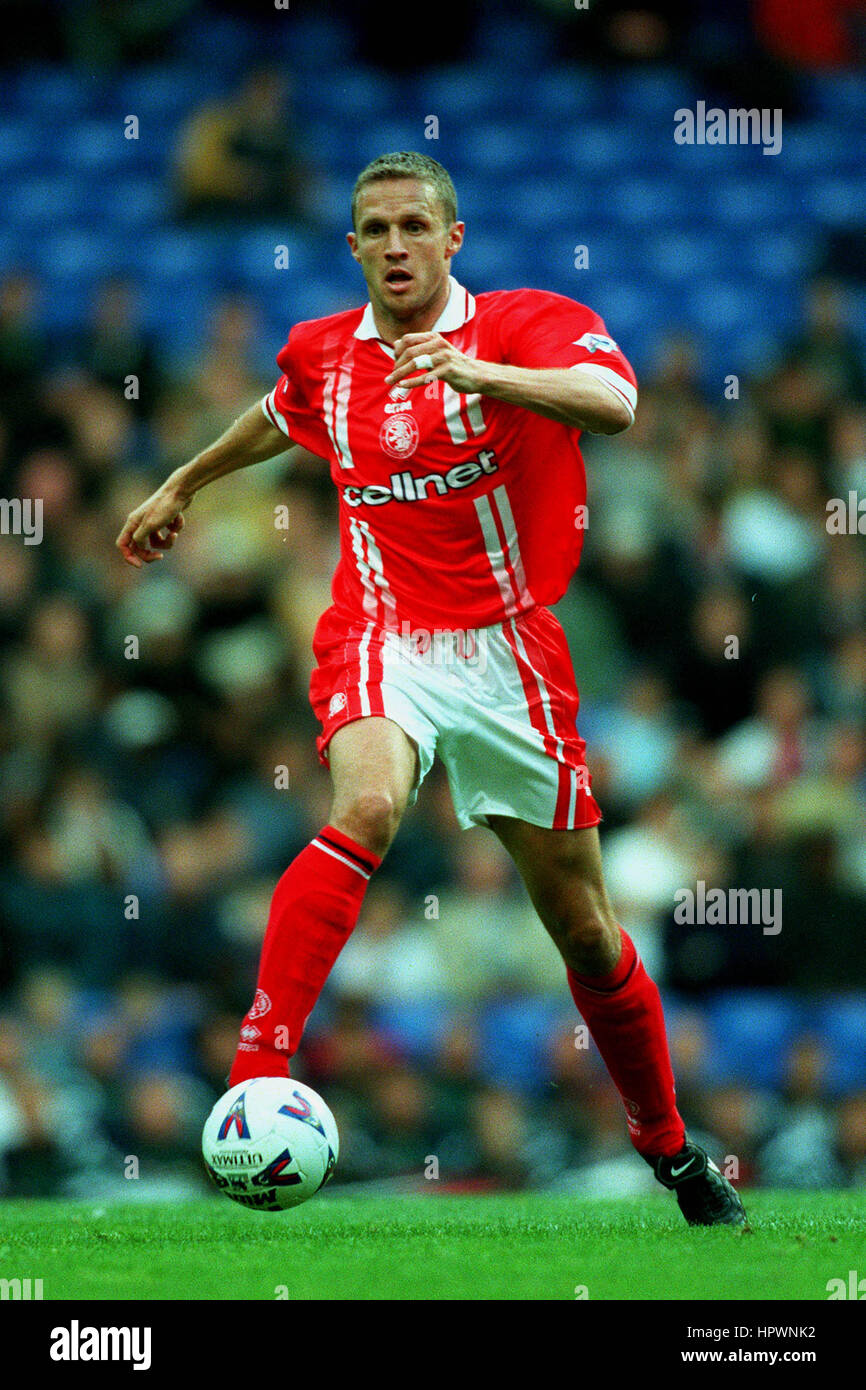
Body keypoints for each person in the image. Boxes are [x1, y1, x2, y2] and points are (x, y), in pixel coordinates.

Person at [117, 151, 745, 1225]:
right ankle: (255, 1076)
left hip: (509, 650)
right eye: (374, 228)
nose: (395, 244)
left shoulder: (521, 324)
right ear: (352, 244)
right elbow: (277, 413)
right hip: (380, 627)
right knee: (364, 804)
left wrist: (483, 379)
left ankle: (670, 1147)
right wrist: (182, 480)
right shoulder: (326, 352)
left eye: (414, 225)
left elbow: (614, 401)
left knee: (586, 931)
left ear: (452, 238)